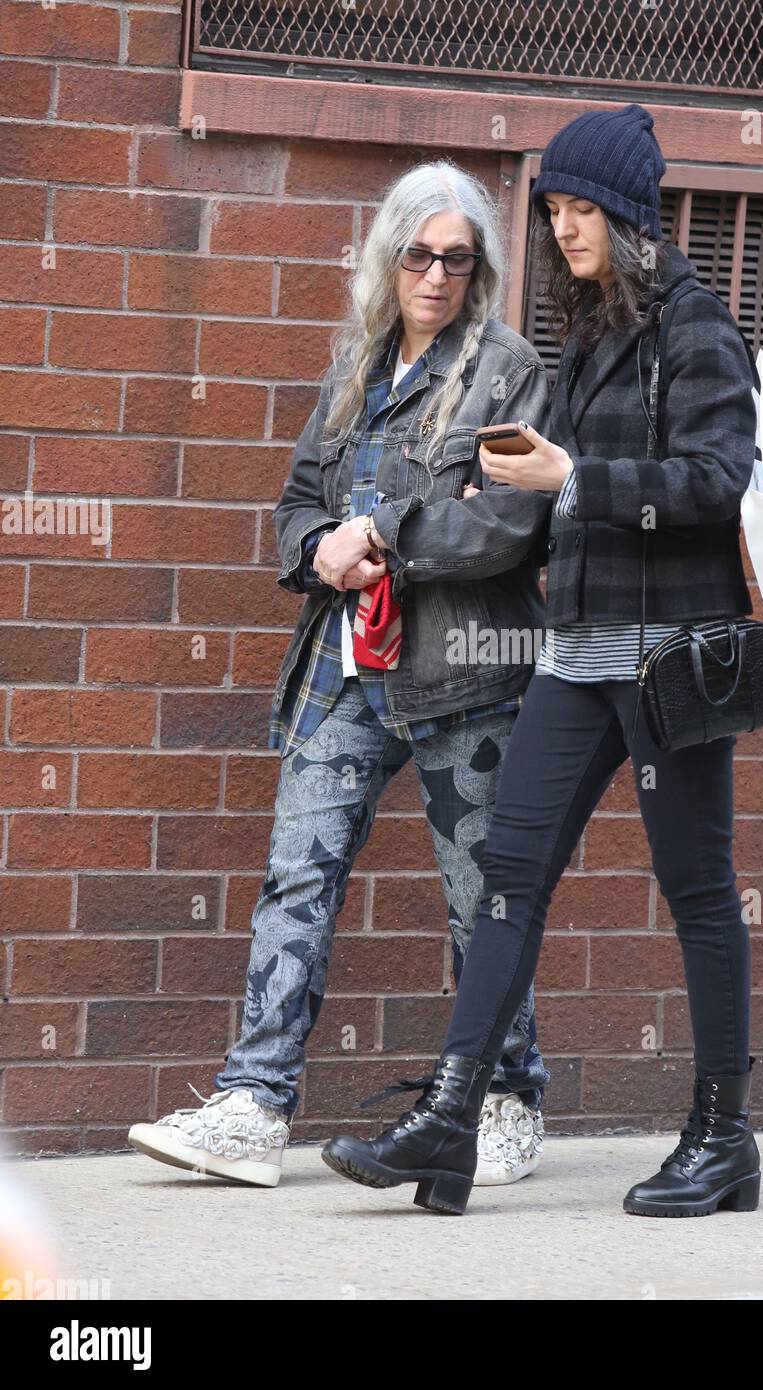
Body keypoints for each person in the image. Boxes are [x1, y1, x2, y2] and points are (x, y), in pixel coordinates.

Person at [322, 104, 762, 1217]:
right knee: (509, 872)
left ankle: (725, 1138)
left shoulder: (696, 325)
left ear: (625, 211)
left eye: (580, 210)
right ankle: (450, 1121)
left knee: (696, 886)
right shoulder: (589, 326)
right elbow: (562, 481)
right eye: (554, 208)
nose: (563, 229)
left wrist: (572, 476)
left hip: (666, 658)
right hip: (576, 655)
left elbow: (716, 480)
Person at [127, 160, 554, 1188]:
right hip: (344, 668)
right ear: (389, 258)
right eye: (419, 254)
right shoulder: (358, 364)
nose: (438, 276)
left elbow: (509, 522)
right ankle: (254, 1103)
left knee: (480, 898)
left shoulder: (505, 370)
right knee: (297, 876)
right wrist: (321, 544)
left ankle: (505, 1098)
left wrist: (384, 533)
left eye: (458, 258)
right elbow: (294, 505)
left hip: (465, 676)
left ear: (479, 269)